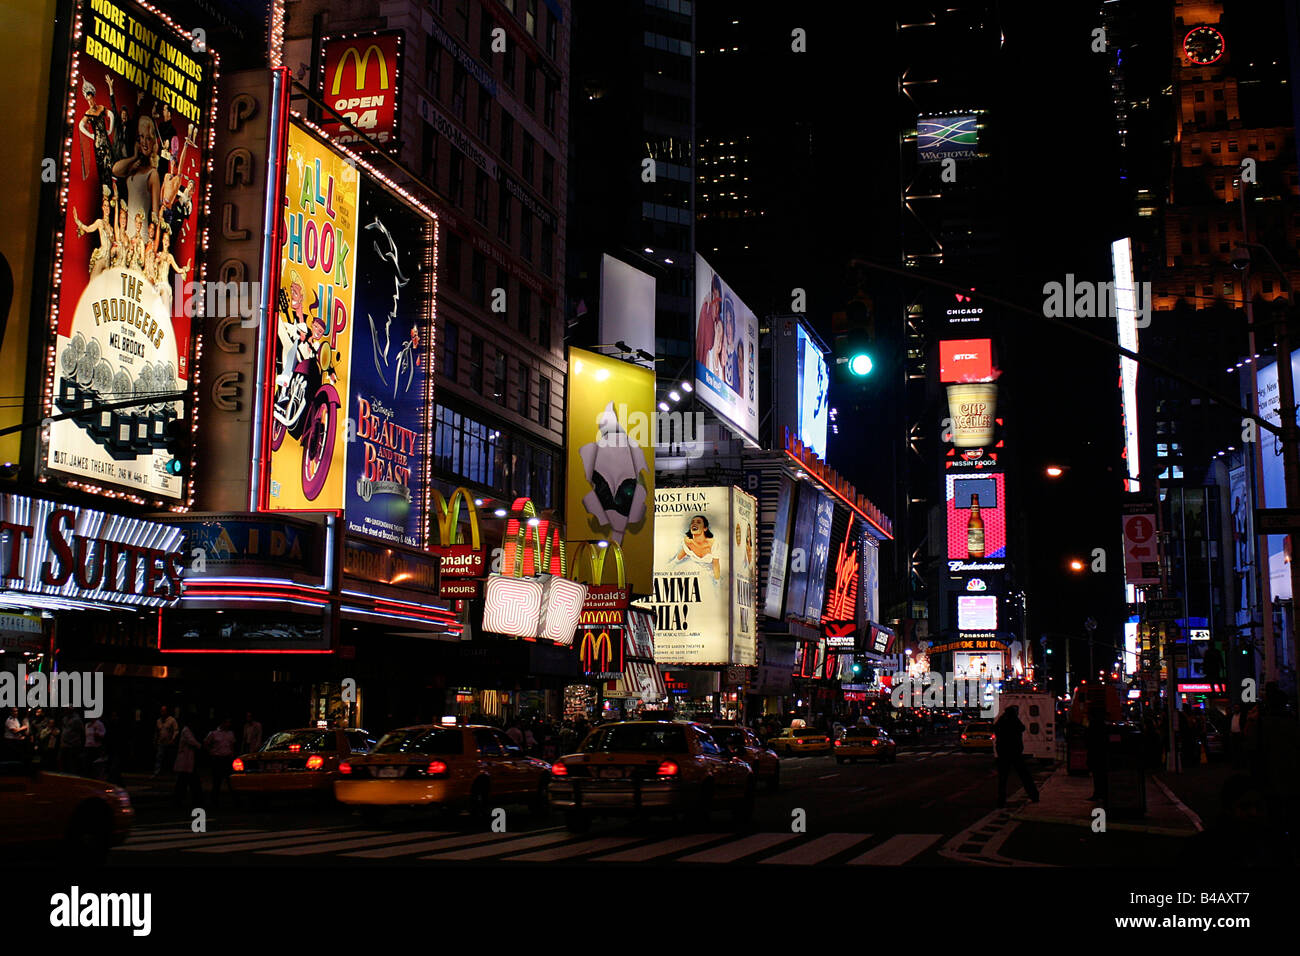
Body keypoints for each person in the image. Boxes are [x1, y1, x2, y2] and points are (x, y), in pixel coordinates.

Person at [994, 705, 1040, 807]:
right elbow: (1021, 728)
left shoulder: (1002, 721)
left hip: (1004, 753)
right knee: (1024, 775)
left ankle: (1001, 800)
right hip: (1015, 753)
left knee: (1003, 779)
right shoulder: (1014, 721)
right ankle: (1034, 795)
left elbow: (996, 729)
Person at [204, 718, 237, 808]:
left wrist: (232, 756)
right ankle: (214, 801)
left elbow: (232, 746)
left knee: (230, 781)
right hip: (218, 759)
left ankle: (235, 801)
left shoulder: (230, 733)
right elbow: (206, 743)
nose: (228, 724)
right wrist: (211, 752)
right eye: (227, 722)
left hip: (227, 759)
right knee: (216, 781)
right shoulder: (214, 733)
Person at [173, 714, 203, 808]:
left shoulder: (187, 730)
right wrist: (201, 746)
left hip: (187, 762)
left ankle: (182, 800)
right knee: (188, 782)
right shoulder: (186, 731)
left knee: (184, 783)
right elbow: (192, 741)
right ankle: (193, 800)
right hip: (186, 763)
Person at [154, 705, 178, 777]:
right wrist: (155, 740)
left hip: (169, 742)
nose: (163, 712)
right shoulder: (158, 721)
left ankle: (172, 773)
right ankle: (157, 772)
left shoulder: (172, 720)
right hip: (161, 742)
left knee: (170, 758)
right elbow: (157, 731)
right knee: (159, 757)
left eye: (164, 711)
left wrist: (173, 739)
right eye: (162, 711)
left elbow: (176, 730)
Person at [82, 713, 106, 778]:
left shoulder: (99, 724)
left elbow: (103, 735)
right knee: (87, 764)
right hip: (87, 747)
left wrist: (96, 733)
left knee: (95, 765)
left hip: (96, 747)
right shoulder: (87, 725)